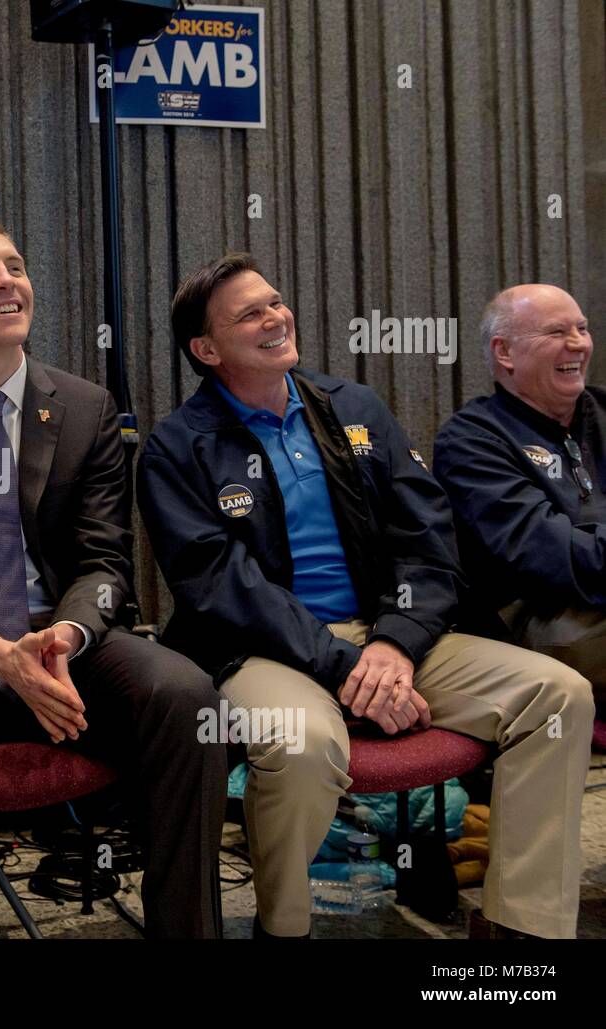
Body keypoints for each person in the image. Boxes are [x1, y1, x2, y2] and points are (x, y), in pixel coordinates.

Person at [137, 253, 593, 939]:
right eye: (249, 313)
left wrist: (394, 642)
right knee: (303, 742)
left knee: (557, 694)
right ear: (206, 348)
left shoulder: (355, 408)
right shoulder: (177, 447)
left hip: (390, 637)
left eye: (276, 301)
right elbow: (222, 588)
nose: (275, 316)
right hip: (266, 649)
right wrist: (348, 666)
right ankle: (282, 927)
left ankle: (518, 936)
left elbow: (429, 540)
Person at [0, 217, 226, 939]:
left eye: (15, 266)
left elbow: (107, 558)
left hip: (64, 639)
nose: (6, 281)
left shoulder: (86, 409)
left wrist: (67, 633)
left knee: (187, 696)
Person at [433, 284, 605, 720]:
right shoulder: (470, 442)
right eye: (556, 332)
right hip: (540, 619)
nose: (578, 343)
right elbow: (547, 554)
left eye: (582, 329)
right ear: (504, 352)